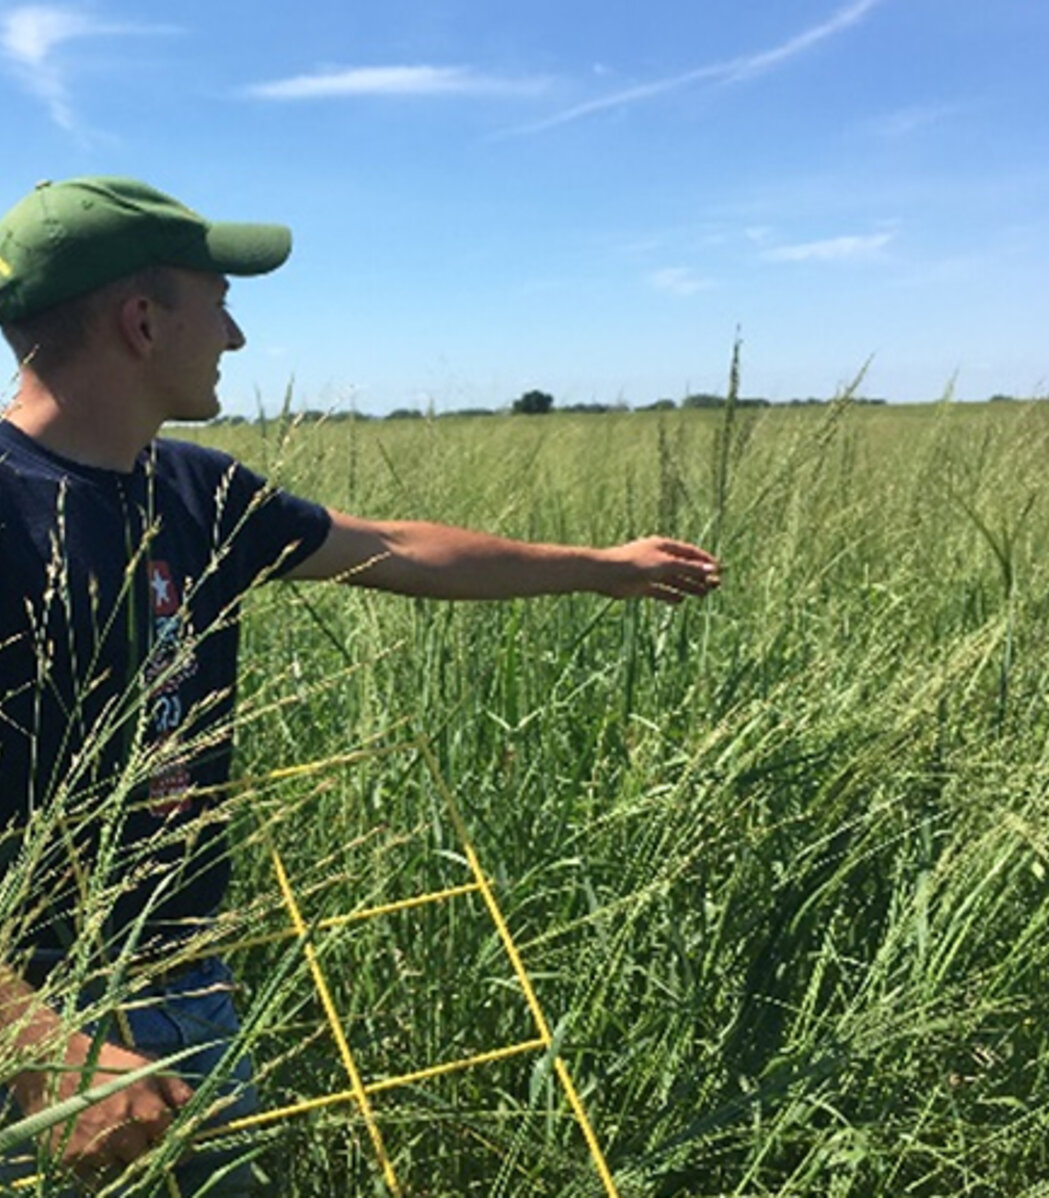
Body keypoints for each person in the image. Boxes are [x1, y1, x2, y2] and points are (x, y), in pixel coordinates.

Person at [0, 176, 724, 1191]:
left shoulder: (194, 489)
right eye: (219, 303)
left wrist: (602, 565)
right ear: (142, 320)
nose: (237, 337)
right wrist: (34, 1043)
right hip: (34, 1022)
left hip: (181, 978)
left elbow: (392, 546)